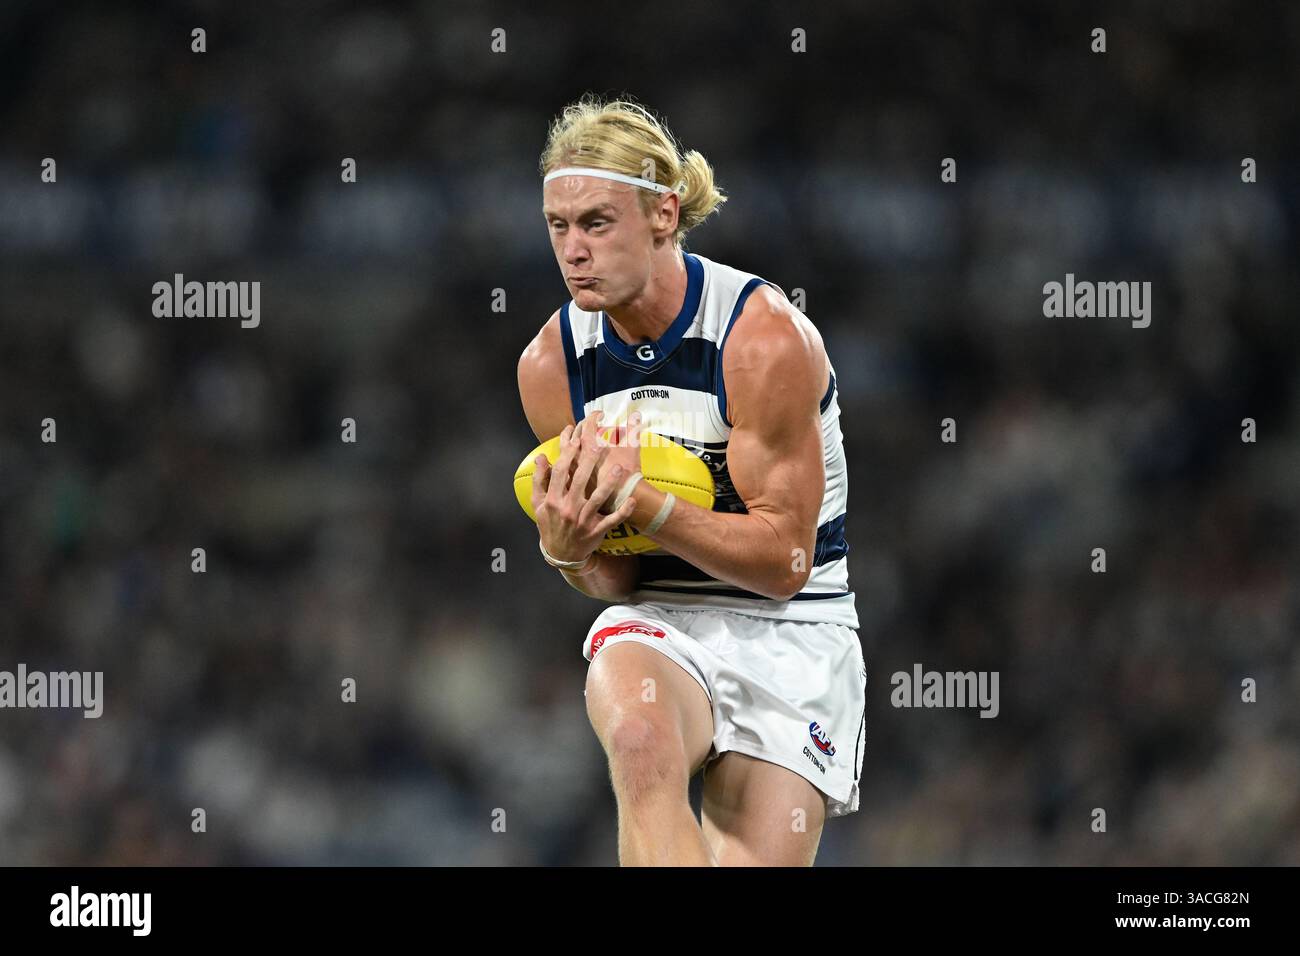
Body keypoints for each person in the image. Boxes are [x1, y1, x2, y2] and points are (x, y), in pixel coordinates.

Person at [517, 95, 865, 866]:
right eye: (558, 226)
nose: (573, 249)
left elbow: (784, 566)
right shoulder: (552, 366)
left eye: (597, 223)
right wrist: (570, 552)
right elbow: (619, 576)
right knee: (639, 738)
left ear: (665, 215)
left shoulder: (760, 337)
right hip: (661, 616)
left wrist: (647, 504)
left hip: (794, 628)